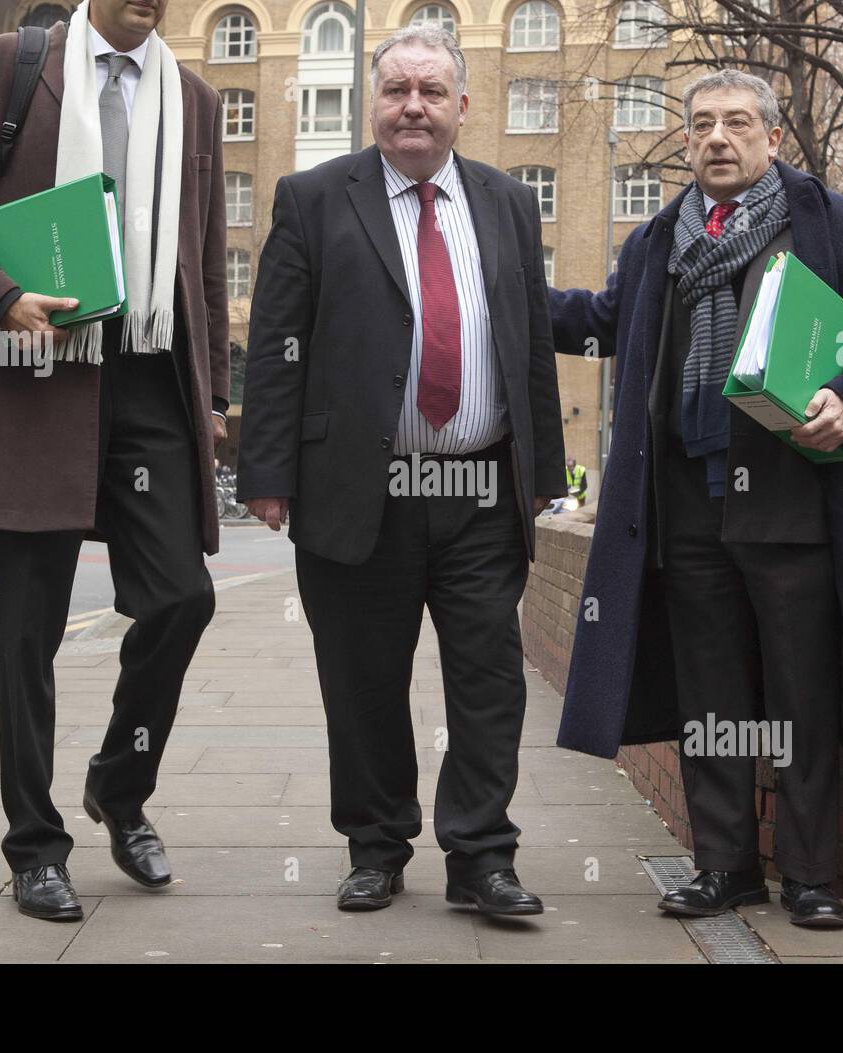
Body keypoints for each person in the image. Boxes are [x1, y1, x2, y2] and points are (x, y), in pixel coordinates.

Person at [549, 69, 843, 929]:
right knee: (711, 696)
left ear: (773, 138)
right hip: (685, 508)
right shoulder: (655, 242)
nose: (718, 137)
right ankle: (725, 866)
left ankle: (812, 875)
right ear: (685, 140)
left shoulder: (832, 221)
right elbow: (602, 320)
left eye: (738, 123)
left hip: (790, 501)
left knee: (801, 694)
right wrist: (505, 287)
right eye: (702, 124)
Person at [238, 25, 566, 916]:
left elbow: (530, 342)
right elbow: (274, 345)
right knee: (363, 679)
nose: (412, 105)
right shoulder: (311, 198)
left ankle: (481, 856)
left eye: (431, 91)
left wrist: (545, 467)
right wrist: (266, 468)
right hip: (360, 488)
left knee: (488, 678)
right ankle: (377, 845)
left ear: (463, 106)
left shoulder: (506, 202)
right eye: (396, 91)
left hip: (479, 486)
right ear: (372, 102)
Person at [0, 0, 230, 921]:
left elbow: (203, 259)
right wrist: (1, 297)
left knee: (183, 596)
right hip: (33, 372)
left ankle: (119, 787)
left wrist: (209, 394)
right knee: (30, 627)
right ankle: (33, 846)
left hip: (147, 384)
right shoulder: (2, 67)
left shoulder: (195, 100)